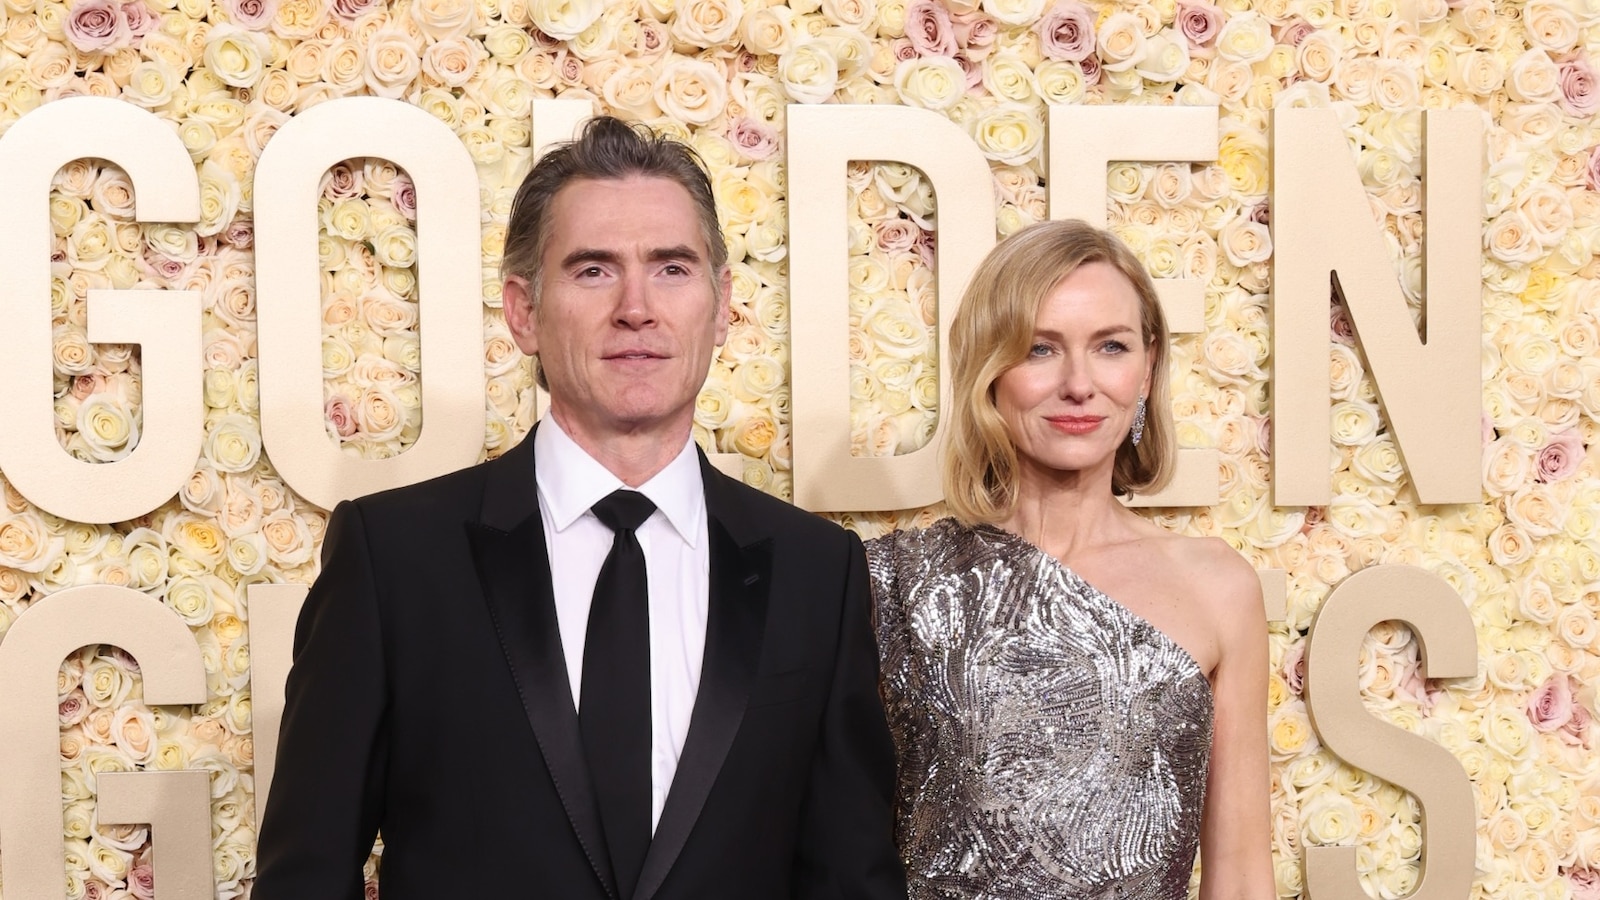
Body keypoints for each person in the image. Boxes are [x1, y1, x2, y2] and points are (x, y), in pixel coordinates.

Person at [255, 116, 906, 900]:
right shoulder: (393, 559)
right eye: (594, 270)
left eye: (672, 268)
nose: (637, 307)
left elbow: (851, 879)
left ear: (721, 305)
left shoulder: (818, 572)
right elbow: (306, 876)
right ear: (523, 311)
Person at [867, 220, 1272, 899]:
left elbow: (1240, 873)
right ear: (989, 370)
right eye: (1040, 349)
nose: (1079, 384)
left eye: (1111, 346)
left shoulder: (1218, 587)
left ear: (1147, 369)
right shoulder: (893, 583)